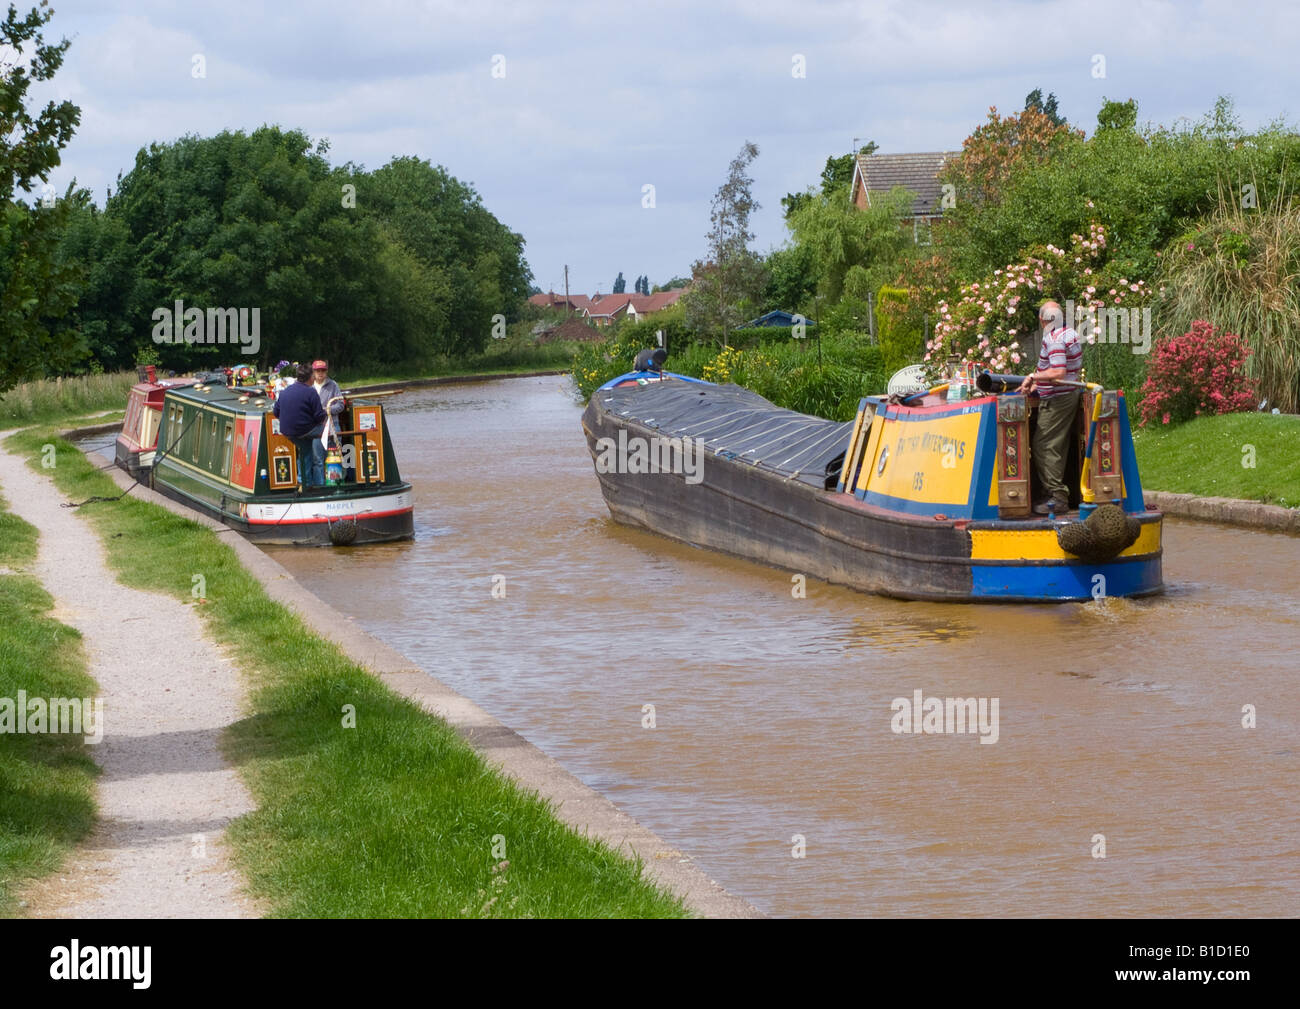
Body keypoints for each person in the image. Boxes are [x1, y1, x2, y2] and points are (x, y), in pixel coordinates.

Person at [1020, 301, 1083, 515]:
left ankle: (1057, 496)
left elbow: (1058, 373)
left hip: (1058, 399)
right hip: (1067, 394)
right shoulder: (1070, 333)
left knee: (1043, 445)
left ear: (1042, 320)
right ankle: (1057, 492)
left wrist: (1032, 376)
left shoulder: (1054, 339)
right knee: (1057, 444)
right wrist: (1034, 383)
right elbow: (1056, 370)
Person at [272, 363, 327, 486]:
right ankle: (321, 478)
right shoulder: (311, 392)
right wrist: (324, 416)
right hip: (304, 430)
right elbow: (319, 416)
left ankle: (303, 481)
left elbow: (276, 412)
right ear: (310, 378)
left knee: (305, 450)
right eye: (313, 376)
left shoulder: (285, 391)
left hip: (287, 431)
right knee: (328, 432)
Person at [310, 359, 344, 427]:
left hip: (332, 423)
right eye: (318, 371)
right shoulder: (309, 386)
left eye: (323, 370)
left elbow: (341, 405)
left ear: (326, 372)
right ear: (313, 372)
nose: (320, 373)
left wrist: (326, 410)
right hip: (314, 425)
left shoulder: (333, 384)